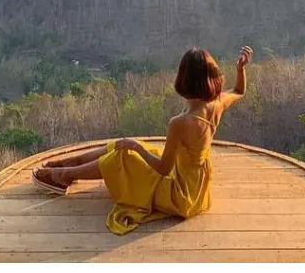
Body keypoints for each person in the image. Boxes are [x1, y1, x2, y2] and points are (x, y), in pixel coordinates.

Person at [31, 45, 253, 234]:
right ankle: (68, 164)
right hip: (197, 187)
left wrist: (135, 146)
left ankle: (63, 176)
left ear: (183, 80)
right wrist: (240, 69)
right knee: (123, 145)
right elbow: (239, 91)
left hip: (180, 194)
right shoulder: (216, 105)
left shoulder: (180, 122)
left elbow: (164, 169)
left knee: (124, 154)